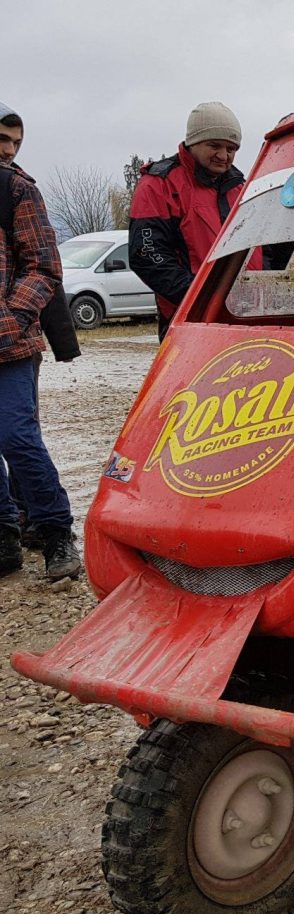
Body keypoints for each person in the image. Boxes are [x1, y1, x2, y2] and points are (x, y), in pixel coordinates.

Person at [0, 100, 82, 580]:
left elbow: (45, 267)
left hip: (12, 341)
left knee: (16, 436)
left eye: (15, 142)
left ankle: (55, 533)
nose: (9, 151)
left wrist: (11, 316)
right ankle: (4, 536)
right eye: (1, 140)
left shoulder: (16, 189)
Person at [128, 102, 249, 341]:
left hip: (244, 315)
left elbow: (260, 247)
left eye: (231, 148)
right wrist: (201, 297)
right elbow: (147, 255)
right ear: (193, 142)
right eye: (214, 145)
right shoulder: (159, 184)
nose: (223, 156)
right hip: (188, 319)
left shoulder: (240, 187)